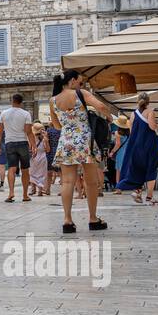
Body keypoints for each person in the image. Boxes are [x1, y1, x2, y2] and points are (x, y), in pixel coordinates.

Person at [50, 70, 111, 234]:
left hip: (66, 141)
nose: (81, 85)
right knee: (90, 181)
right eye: (80, 82)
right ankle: (92, 218)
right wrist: (110, 117)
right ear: (72, 81)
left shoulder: (53, 100)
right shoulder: (80, 93)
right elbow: (101, 106)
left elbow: (56, 125)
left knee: (67, 182)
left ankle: (67, 221)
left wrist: (69, 124)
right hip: (85, 140)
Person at [117, 92, 158, 205]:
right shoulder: (150, 112)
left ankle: (137, 191)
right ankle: (149, 197)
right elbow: (152, 127)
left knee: (137, 168)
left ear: (138, 101)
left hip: (136, 146)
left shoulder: (132, 114)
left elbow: (132, 132)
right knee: (151, 168)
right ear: (148, 101)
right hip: (149, 144)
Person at [0, 94, 34, 203]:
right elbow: (28, 132)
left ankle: (11, 192)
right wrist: (34, 145)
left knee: (12, 168)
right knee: (25, 169)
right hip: (22, 143)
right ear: (21, 102)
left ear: (12, 101)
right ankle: (25, 195)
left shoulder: (3, 113)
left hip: (9, 143)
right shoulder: (26, 114)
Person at [29, 122, 50, 196]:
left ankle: (33, 189)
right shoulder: (45, 139)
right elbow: (48, 150)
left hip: (33, 157)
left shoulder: (31, 138)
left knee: (32, 173)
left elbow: (29, 148)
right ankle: (40, 190)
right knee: (41, 174)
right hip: (43, 158)